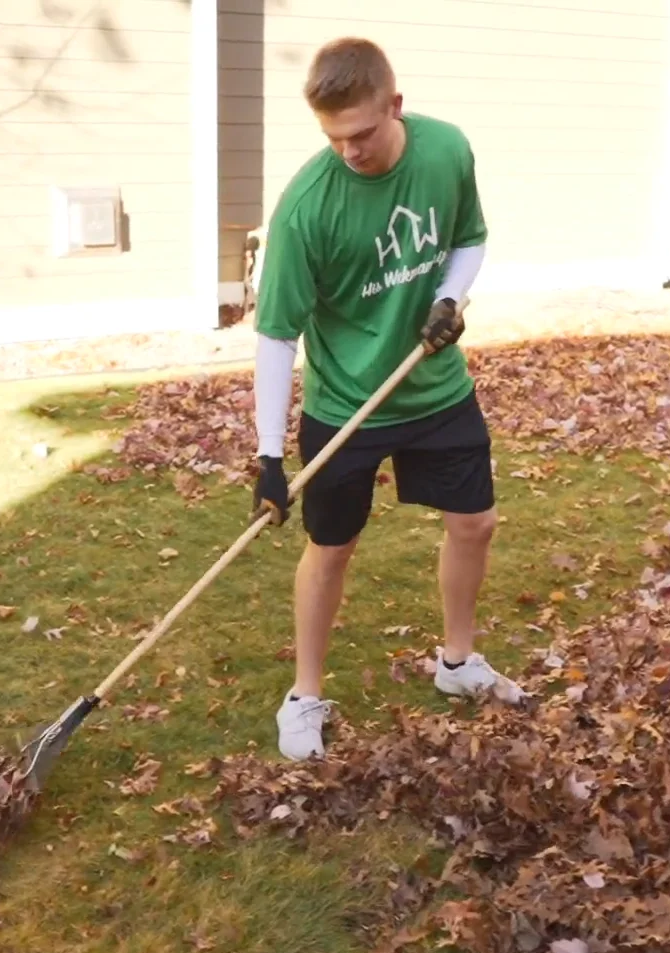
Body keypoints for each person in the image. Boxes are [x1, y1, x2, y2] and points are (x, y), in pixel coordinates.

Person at [249, 37, 528, 762]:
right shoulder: (305, 212)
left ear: (394, 106)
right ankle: (305, 695)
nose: (350, 151)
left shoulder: (445, 152)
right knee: (331, 548)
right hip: (344, 403)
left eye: (363, 133)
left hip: (433, 386)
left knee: (476, 523)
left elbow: (470, 237)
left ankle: (458, 663)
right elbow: (277, 337)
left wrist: (448, 297)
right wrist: (271, 459)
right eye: (334, 138)